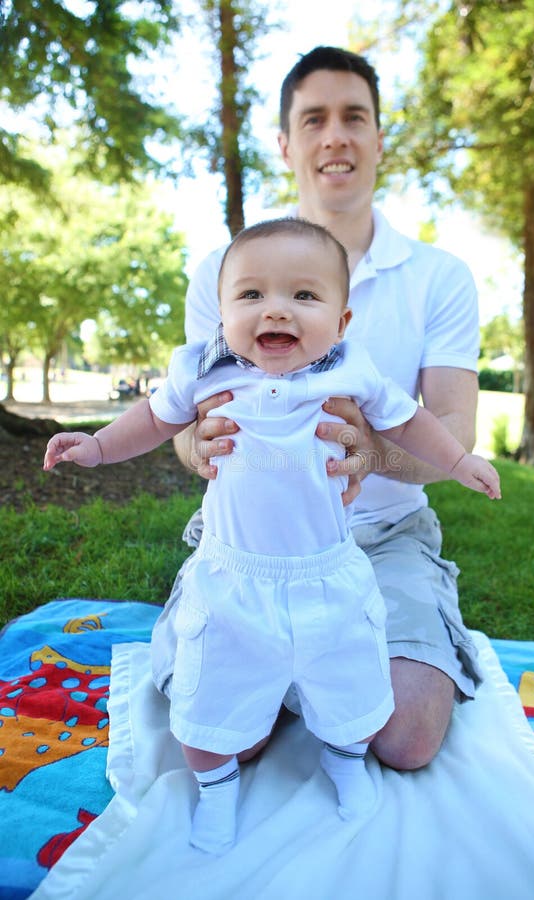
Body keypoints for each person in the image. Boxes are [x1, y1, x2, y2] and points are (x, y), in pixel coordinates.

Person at [44, 218, 500, 855]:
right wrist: (97, 447)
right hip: (233, 573)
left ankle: (344, 758)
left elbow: (410, 422)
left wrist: (458, 460)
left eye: (304, 296)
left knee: (353, 679)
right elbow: (152, 419)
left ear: (341, 322)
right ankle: (217, 791)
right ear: (222, 313)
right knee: (211, 708)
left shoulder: (351, 371)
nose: (276, 309)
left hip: (328, 570)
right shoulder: (204, 370)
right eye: (251, 295)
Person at [171, 46, 486, 772]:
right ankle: (293, 665)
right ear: (286, 144)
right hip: (248, 543)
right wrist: (197, 445)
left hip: (387, 534)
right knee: (225, 738)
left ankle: (318, 665)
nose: (335, 136)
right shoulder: (221, 272)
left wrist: (375, 453)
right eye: (314, 119)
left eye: (354, 117)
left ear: (379, 138)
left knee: (407, 735)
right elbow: (186, 428)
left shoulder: (439, 276)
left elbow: (455, 428)